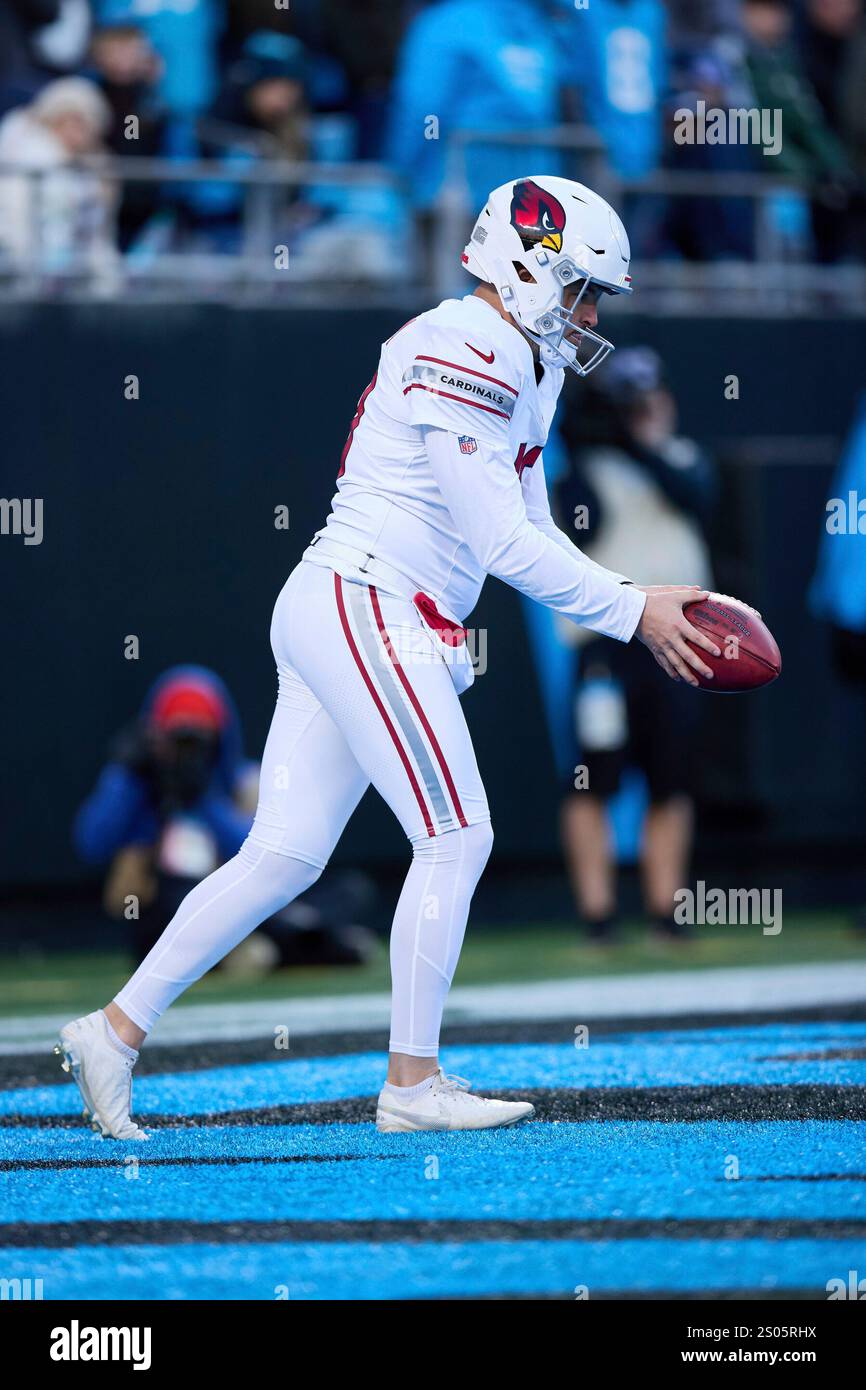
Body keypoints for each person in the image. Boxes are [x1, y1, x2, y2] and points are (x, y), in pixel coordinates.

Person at [56, 173, 723, 1140]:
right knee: (458, 833)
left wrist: (632, 597)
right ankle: (412, 1082)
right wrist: (630, 611)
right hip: (366, 601)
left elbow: (533, 527)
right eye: (580, 287)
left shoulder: (522, 362)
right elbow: (498, 543)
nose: (586, 313)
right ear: (525, 263)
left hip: (360, 606)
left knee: (283, 852)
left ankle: (112, 1033)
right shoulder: (465, 343)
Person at [554, 348, 716, 941]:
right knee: (593, 777)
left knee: (672, 777)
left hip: (681, 644)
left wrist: (636, 442)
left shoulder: (681, 459)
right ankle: (597, 914)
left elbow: (694, 496)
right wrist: (591, 443)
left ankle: (664, 912)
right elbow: (582, 524)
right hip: (607, 643)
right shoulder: (584, 470)